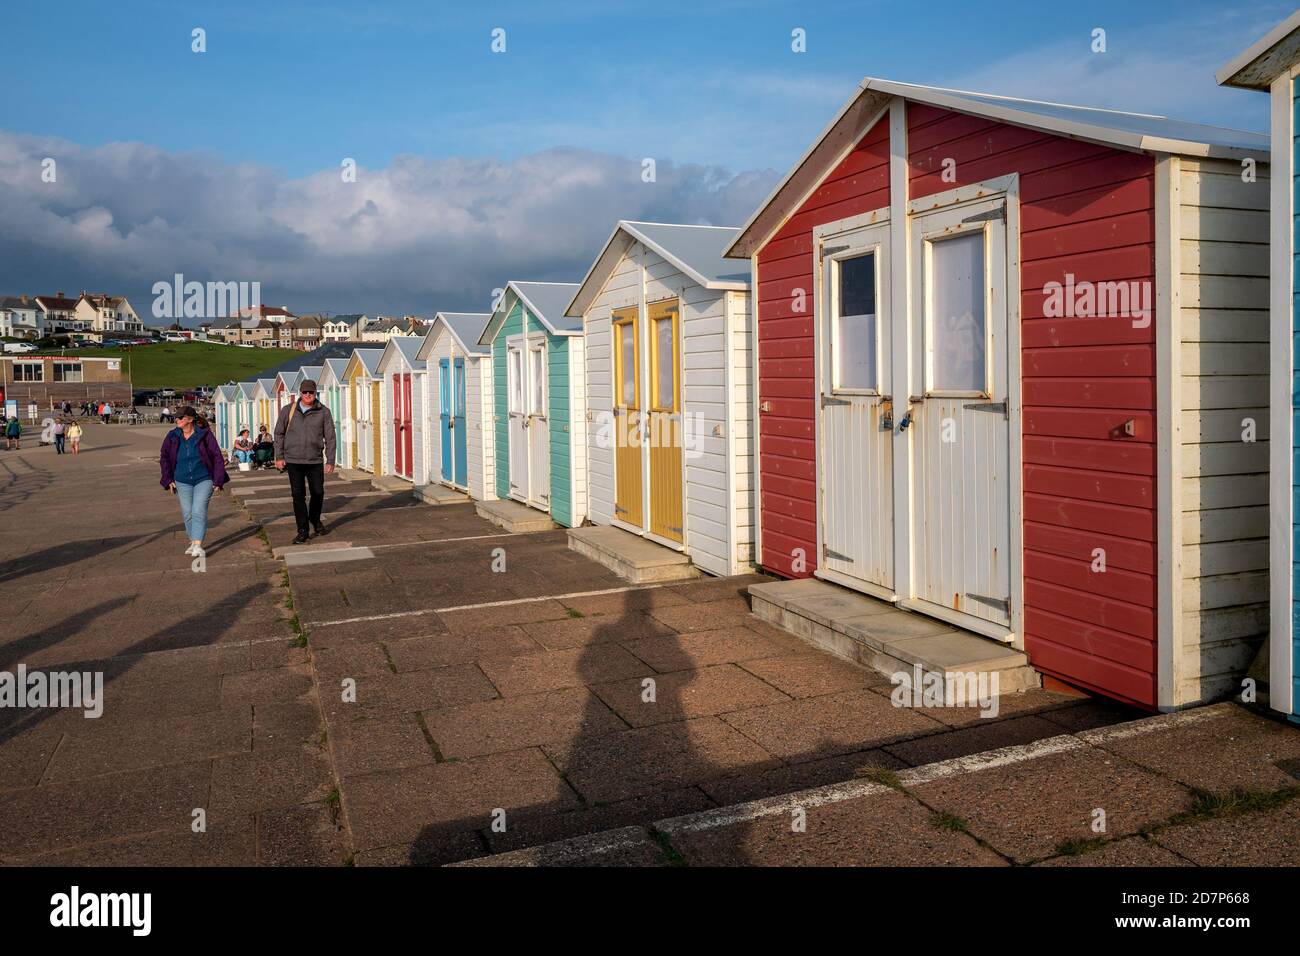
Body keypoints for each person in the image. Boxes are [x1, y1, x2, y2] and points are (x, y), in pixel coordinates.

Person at [273, 379, 336, 544]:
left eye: (311, 392)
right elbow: (278, 434)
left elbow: (330, 437)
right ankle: (302, 530)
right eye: (305, 392)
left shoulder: (324, 412)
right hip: (293, 460)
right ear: (300, 393)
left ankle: (314, 519)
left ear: (316, 393)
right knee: (298, 495)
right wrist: (279, 457)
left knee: (318, 492)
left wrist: (330, 460)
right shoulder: (288, 410)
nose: (308, 395)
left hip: (314, 460)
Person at [159, 405, 228, 557]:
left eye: (180, 417)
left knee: (198, 510)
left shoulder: (204, 435)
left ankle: (197, 544)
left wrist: (218, 480)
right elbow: (164, 457)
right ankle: (193, 541)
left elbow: (217, 457)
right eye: (176, 417)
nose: (177, 419)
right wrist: (168, 478)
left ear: (190, 419)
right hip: (182, 480)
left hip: (204, 478)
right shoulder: (172, 436)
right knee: (187, 513)